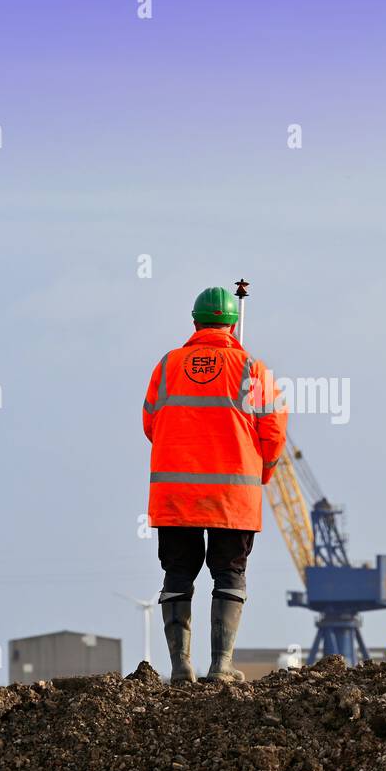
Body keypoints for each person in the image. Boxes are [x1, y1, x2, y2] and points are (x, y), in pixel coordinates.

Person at [141, 286, 287, 682]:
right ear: (233, 324)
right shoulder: (252, 369)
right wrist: (260, 474)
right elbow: (273, 432)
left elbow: (151, 424)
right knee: (229, 573)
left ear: (194, 321)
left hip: (176, 497)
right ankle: (221, 665)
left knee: (177, 574)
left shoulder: (168, 365)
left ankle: (179, 668)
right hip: (233, 497)